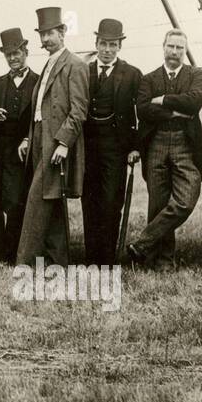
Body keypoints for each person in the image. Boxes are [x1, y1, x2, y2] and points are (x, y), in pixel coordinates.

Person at [127, 29, 202, 269]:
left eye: (179, 48)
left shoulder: (196, 75)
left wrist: (161, 100)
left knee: (185, 200)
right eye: (170, 46)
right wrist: (174, 111)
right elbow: (142, 109)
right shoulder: (149, 79)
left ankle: (142, 245)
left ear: (185, 50)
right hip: (156, 142)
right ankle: (161, 262)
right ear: (163, 47)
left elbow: (194, 102)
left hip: (185, 142)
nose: (174, 52)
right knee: (158, 202)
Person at [17, 7, 89, 265]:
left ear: (63, 32)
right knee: (52, 199)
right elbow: (39, 109)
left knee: (37, 200)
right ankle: (59, 260)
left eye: (50, 33)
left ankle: (24, 263)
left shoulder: (76, 65)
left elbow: (79, 110)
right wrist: (29, 138)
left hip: (54, 142)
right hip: (38, 139)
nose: (45, 39)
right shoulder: (48, 63)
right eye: (42, 34)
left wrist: (63, 143)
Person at [80, 18, 142, 266]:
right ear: (96, 43)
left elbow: (141, 112)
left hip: (116, 148)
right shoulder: (83, 70)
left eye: (113, 44)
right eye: (103, 44)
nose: (107, 49)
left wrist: (136, 146)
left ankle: (106, 259)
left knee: (110, 202)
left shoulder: (132, 74)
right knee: (90, 201)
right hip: (88, 147)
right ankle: (90, 257)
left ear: (120, 46)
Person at [0, 27, 38, 264]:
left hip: (18, 153)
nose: (13, 58)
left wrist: (26, 140)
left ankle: (13, 253)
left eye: (17, 53)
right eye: (8, 54)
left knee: (14, 203)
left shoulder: (38, 82)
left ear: (26, 51)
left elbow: (37, 119)